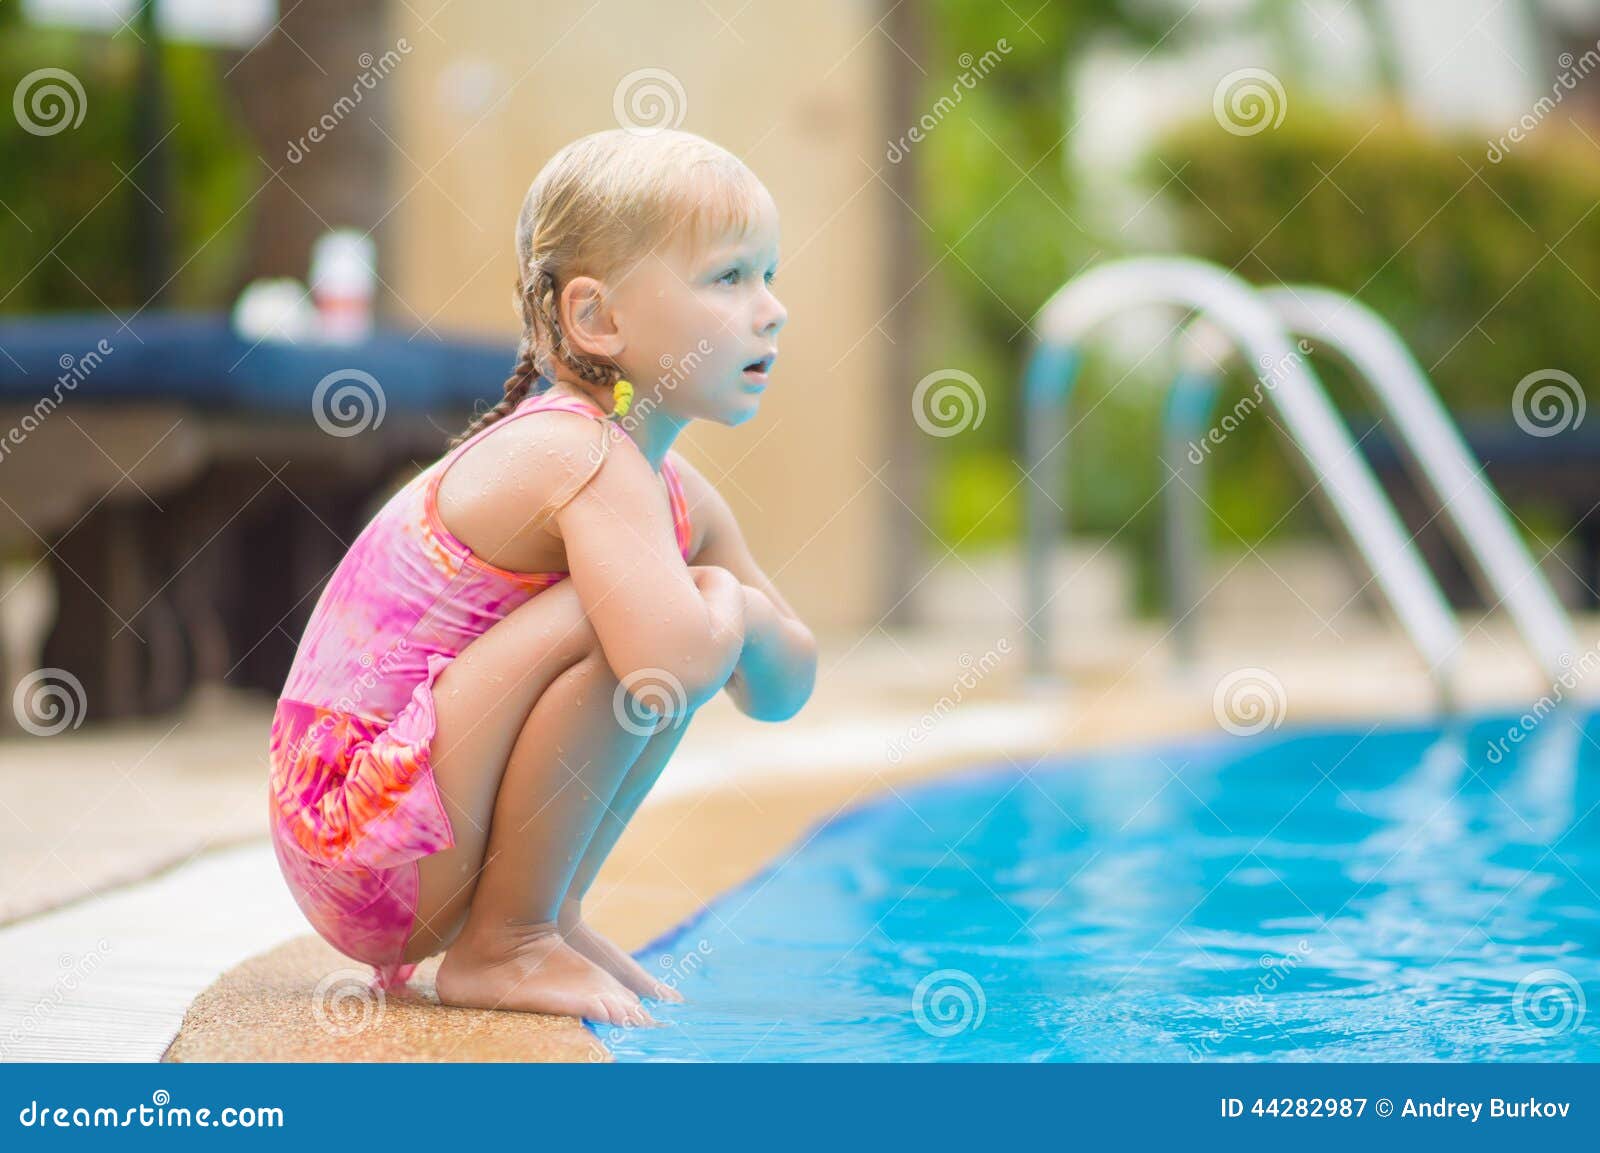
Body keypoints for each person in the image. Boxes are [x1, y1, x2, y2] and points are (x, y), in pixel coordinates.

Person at [266, 128, 816, 1027]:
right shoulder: (575, 453)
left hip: (409, 831)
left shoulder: (670, 491)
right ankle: (505, 942)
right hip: (356, 832)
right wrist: (720, 611)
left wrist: (739, 609)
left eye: (770, 274)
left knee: (654, 613)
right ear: (597, 319)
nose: (771, 309)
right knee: (637, 628)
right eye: (729, 278)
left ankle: (543, 915)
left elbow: (782, 688)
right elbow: (671, 664)